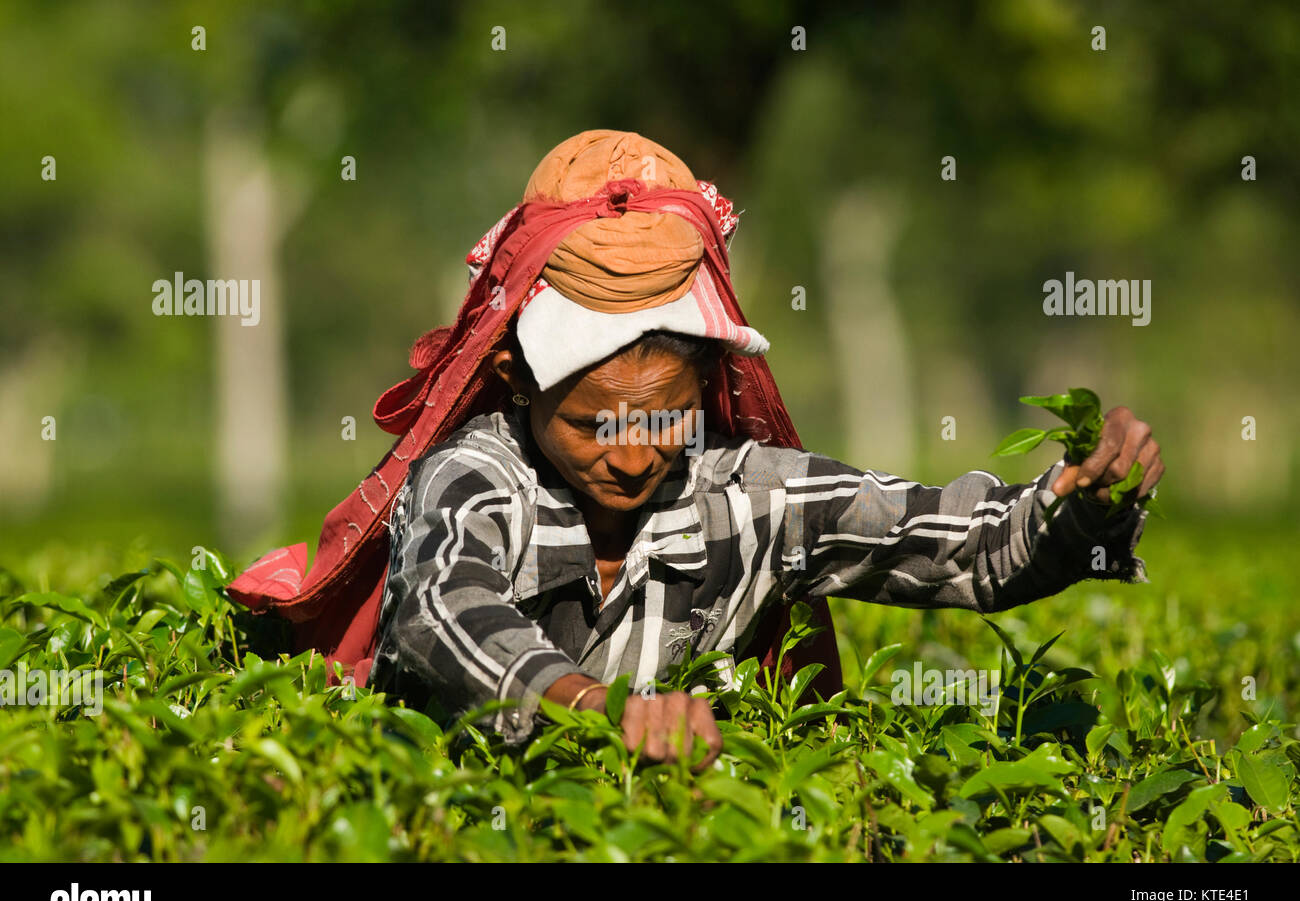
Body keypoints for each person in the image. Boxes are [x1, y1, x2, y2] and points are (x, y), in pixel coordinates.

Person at [232, 130, 1163, 774]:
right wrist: (597, 710)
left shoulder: (743, 497)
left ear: (708, 383)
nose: (636, 457)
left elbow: (957, 543)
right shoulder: (477, 478)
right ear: (518, 380)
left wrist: (1081, 501)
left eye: (665, 418)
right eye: (596, 423)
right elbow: (441, 611)